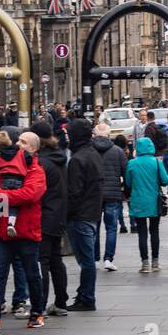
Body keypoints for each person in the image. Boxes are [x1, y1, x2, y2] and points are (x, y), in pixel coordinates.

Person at [0, 131, 46, 331]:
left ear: (33, 148)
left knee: (32, 273)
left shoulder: (36, 170)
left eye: (24, 142)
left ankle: (37, 313)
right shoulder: (4, 169)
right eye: (18, 141)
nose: (19, 144)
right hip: (1, 230)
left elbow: (30, 194)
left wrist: (3, 195)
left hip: (26, 229)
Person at [64, 118, 103, 310]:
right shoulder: (93, 154)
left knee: (86, 260)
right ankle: (84, 294)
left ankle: (87, 297)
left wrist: (66, 215)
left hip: (80, 216)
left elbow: (74, 193)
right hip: (92, 213)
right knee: (87, 259)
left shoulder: (78, 160)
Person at [33, 122, 70, 316]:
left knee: (43, 261)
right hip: (58, 214)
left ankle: (40, 304)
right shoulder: (59, 158)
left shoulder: (41, 163)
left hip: (44, 215)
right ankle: (61, 302)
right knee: (56, 259)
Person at [125, 136, 168, 272]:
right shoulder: (156, 162)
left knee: (142, 233)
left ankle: (145, 264)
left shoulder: (132, 163)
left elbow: (128, 183)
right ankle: (155, 263)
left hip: (138, 201)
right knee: (154, 231)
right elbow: (166, 180)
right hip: (154, 202)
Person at [92, 123, 127, 271]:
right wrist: (126, 191)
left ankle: (93, 259)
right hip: (113, 194)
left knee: (94, 228)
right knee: (111, 228)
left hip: (93, 194)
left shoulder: (89, 151)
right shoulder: (118, 151)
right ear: (109, 134)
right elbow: (126, 173)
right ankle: (108, 259)